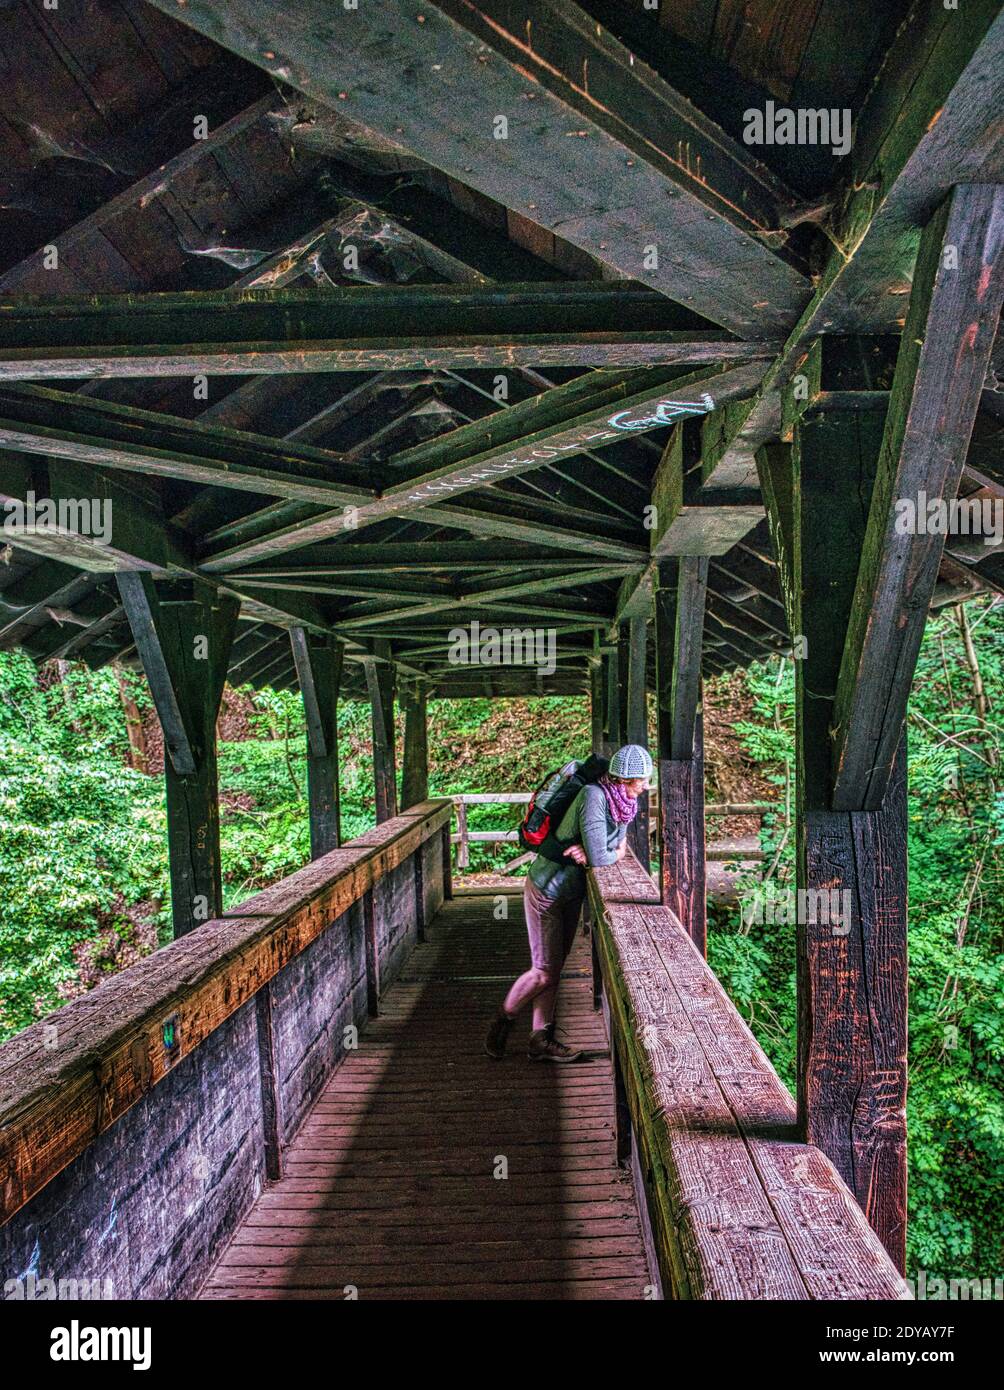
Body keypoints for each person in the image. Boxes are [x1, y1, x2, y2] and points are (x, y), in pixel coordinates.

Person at [484, 744, 653, 1062]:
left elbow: (614, 849)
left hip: (571, 891)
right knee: (543, 971)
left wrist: (604, 852)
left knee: (554, 969)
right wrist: (604, 853)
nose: (644, 787)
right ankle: (502, 1022)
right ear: (622, 778)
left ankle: (540, 1038)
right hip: (546, 890)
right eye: (640, 780)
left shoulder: (622, 806)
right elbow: (604, 856)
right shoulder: (594, 796)